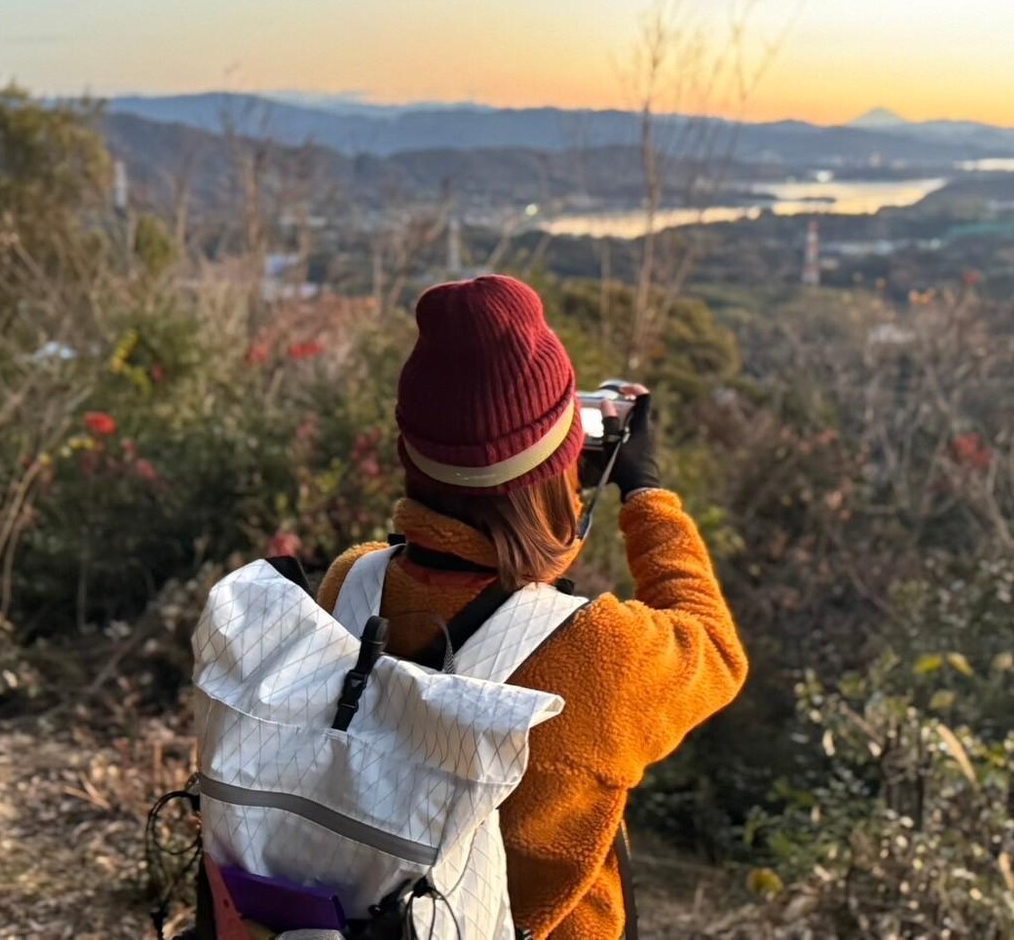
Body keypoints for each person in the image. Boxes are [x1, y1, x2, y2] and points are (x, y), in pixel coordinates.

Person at [316, 275, 748, 940]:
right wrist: (644, 490)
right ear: (561, 464)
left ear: (408, 452)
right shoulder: (600, 651)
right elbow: (714, 646)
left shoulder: (351, 586)